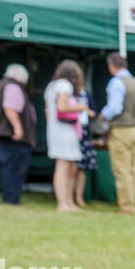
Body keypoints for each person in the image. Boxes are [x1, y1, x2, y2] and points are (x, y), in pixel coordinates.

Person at [101, 52, 135, 215]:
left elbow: (115, 108)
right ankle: (131, 204)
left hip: (121, 130)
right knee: (132, 169)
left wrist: (103, 115)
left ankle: (127, 207)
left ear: (112, 66)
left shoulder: (116, 83)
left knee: (121, 170)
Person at [0, 63, 35, 206]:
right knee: (14, 169)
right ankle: (12, 200)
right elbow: (10, 108)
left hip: (1, 135)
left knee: (8, 168)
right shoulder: (13, 86)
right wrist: (18, 128)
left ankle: (10, 198)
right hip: (12, 137)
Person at [44, 60, 89, 213]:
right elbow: (62, 107)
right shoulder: (65, 86)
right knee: (64, 166)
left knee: (70, 166)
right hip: (64, 130)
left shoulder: (51, 86)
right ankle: (63, 203)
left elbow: (48, 112)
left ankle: (69, 202)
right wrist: (82, 107)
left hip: (57, 130)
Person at [74, 78, 97, 208]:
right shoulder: (67, 93)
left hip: (84, 134)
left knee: (82, 168)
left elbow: (94, 112)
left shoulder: (87, 94)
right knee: (71, 167)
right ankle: (68, 197)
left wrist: (86, 111)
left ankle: (79, 197)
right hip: (71, 133)